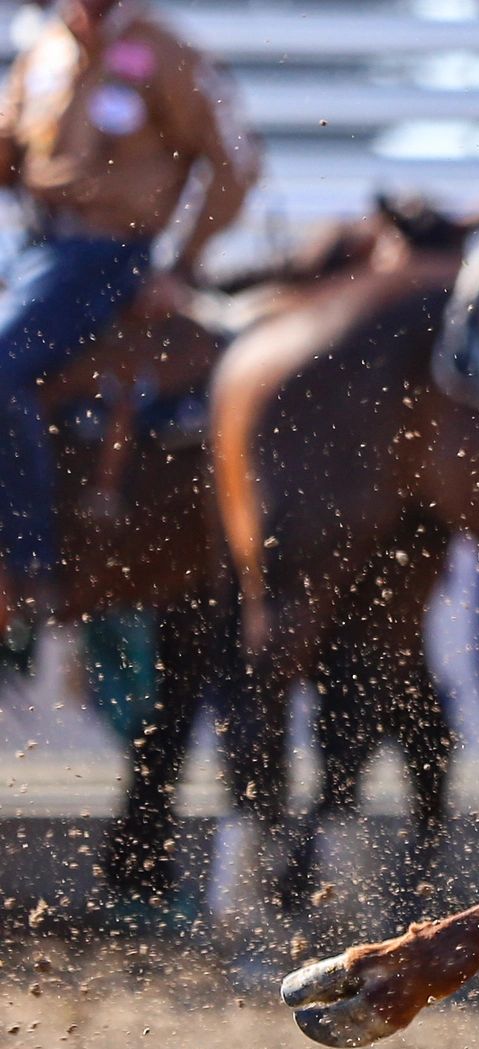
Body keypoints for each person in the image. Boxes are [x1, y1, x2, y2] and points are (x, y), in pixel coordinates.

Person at [0, 0, 258, 627]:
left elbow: (234, 164)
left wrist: (182, 264)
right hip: (34, 249)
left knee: (3, 369)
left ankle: (28, 565)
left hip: (106, 254)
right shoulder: (45, 49)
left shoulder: (165, 50)